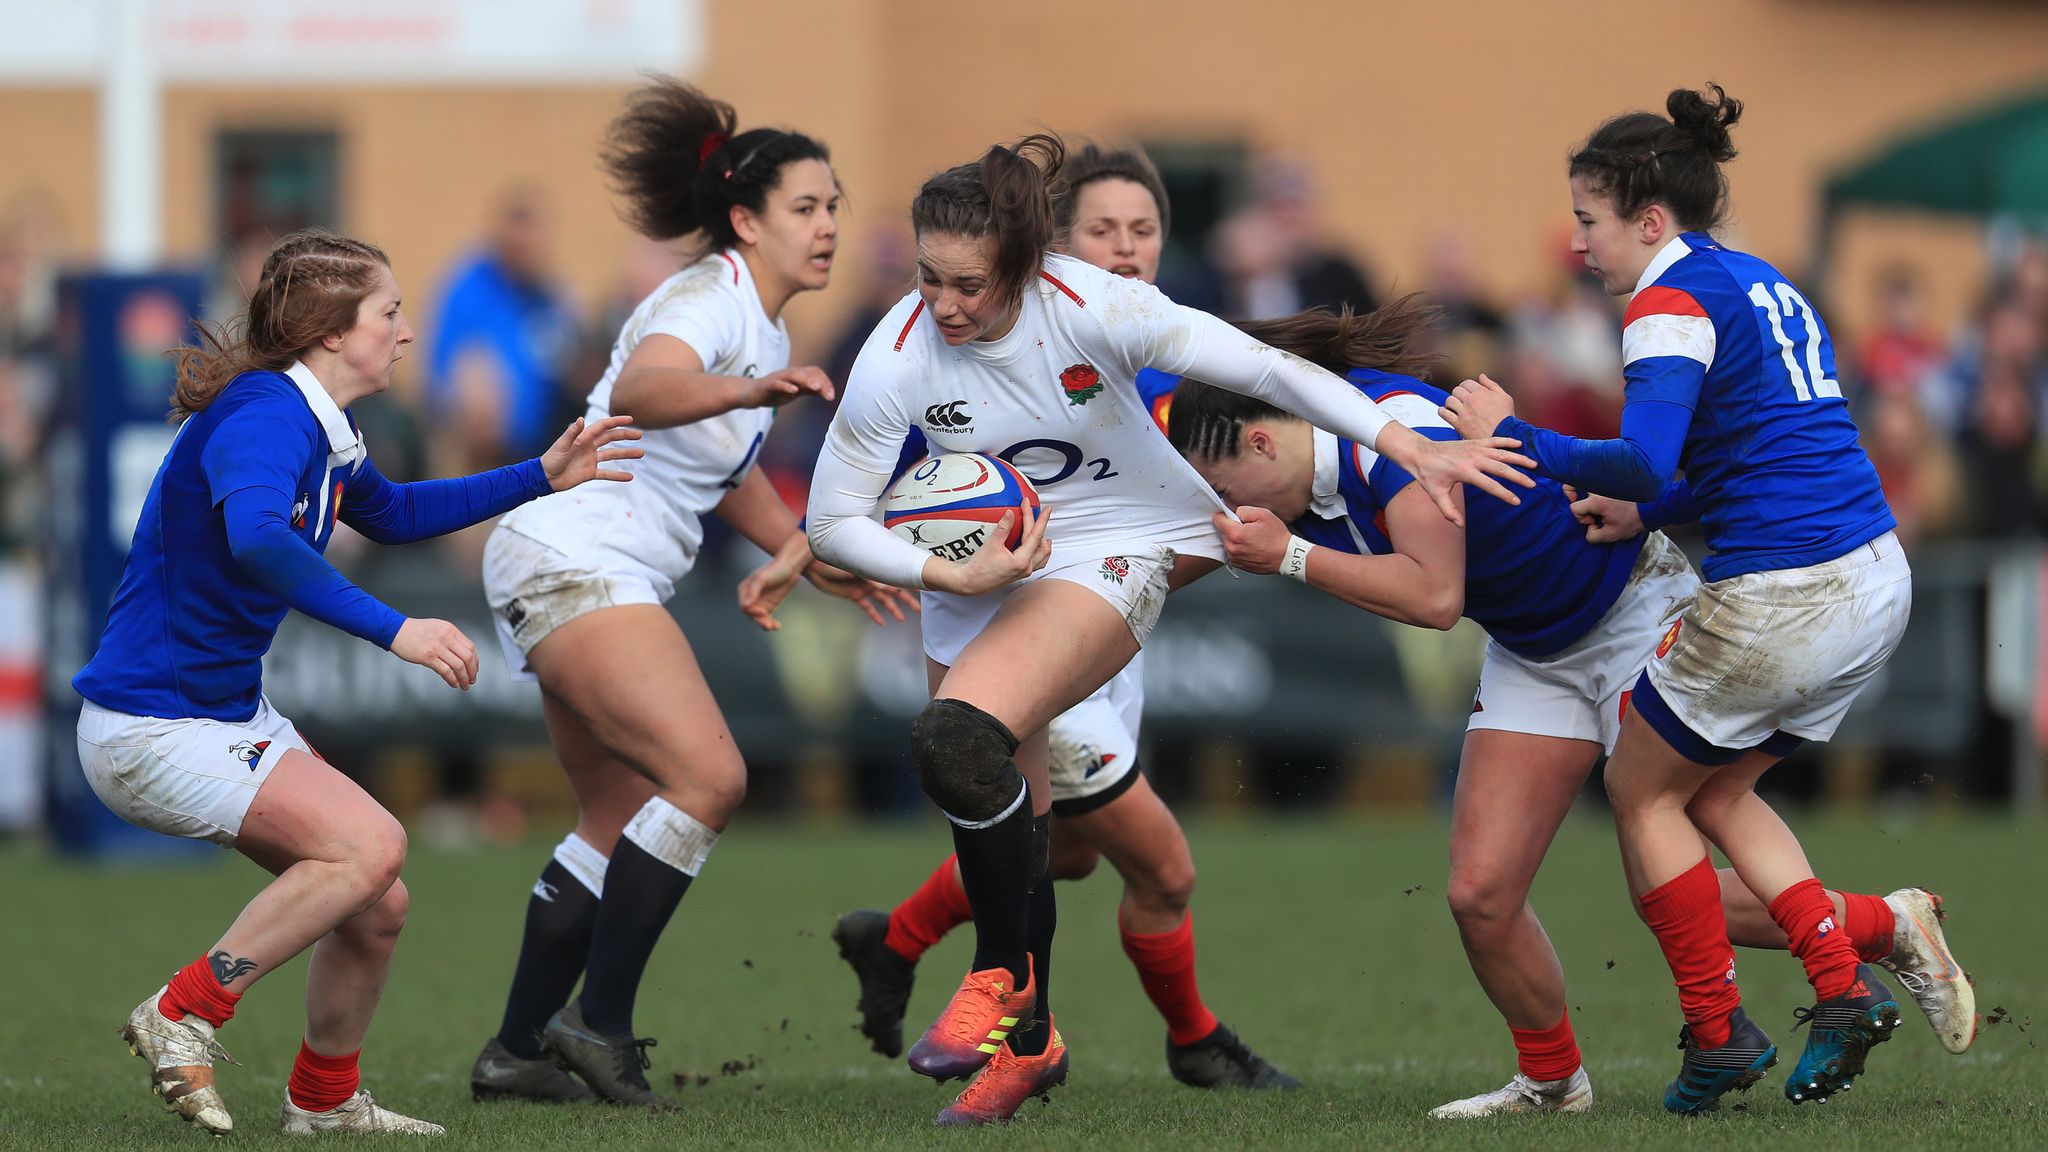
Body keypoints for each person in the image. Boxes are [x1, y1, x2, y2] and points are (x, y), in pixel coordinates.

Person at [804, 132, 1534, 1125]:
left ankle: (1002, 981)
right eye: (929, 278)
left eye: (968, 284)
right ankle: (1024, 1039)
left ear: (1026, 265)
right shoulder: (896, 352)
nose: (944, 303)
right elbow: (832, 522)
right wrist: (945, 569)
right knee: (1001, 803)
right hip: (981, 568)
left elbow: (1268, 370)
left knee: (970, 748)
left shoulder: (1093, 306)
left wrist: (1408, 444)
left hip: (1118, 543)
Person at [1167, 302, 1976, 1118]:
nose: (1228, 509)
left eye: (1225, 490)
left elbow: (1436, 597)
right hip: (1534, 650)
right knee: (1480, 894)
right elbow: (1193, 544)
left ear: (1262, 442)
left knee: (1671, 881)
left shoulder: (1390, 439)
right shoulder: (1293, 464)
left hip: (1635, 610)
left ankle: (1876, 934)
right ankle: (1554, 1082)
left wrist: (1292, 557)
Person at [1441, 84, 1961, 1113]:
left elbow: (1642, 456)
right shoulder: (1758, 279)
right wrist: (1648, 513)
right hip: (1872, 575)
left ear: (1647, 219)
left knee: (1642, 794)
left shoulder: (1665, 300)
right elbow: (1754, 453)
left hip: (1783, 590)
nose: (1578, 243)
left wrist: (1513, 435)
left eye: (1588, 220)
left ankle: (1729, 1029)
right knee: (1712, 795)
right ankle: (1846, 970)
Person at [73, 228, 641, 1137]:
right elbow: (259, 540)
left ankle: (324, 1101)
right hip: (153, 727)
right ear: (332, 331)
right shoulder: (265, 414)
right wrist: (397, 630)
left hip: (214, 716)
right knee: (371, 846)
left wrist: (541, 474)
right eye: (390, 312)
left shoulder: (315, 423)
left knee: (377, 904)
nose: (406, 332)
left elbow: (395, 512)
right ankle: (183, 1011)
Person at [771, 145, 1293, 1090]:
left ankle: (917, 956)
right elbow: (918, 495)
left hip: (1100, 627)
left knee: (1068, 853)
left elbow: (1221, 496)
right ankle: (1187, 1039)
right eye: (1102, 230)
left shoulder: (1154, 367)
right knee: (1159, 867)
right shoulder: (984, 350)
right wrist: (808, 547)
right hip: (1035, 628)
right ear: (1046, 252)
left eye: (1144, 229)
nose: (1125, 249)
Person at [469, 79, 910, 1108]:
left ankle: (516, 1052)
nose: (829, 225)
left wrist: (803, 548)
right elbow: (643, 389)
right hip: (578, 558)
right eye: (806, 207)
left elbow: (720, 466)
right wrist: (751, 389)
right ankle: (598, 1025)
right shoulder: (710, 300)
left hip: (566, 558)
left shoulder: (756, 325)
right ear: (746, 221)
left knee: (616, 814)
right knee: (708, 778)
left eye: (835, 205)